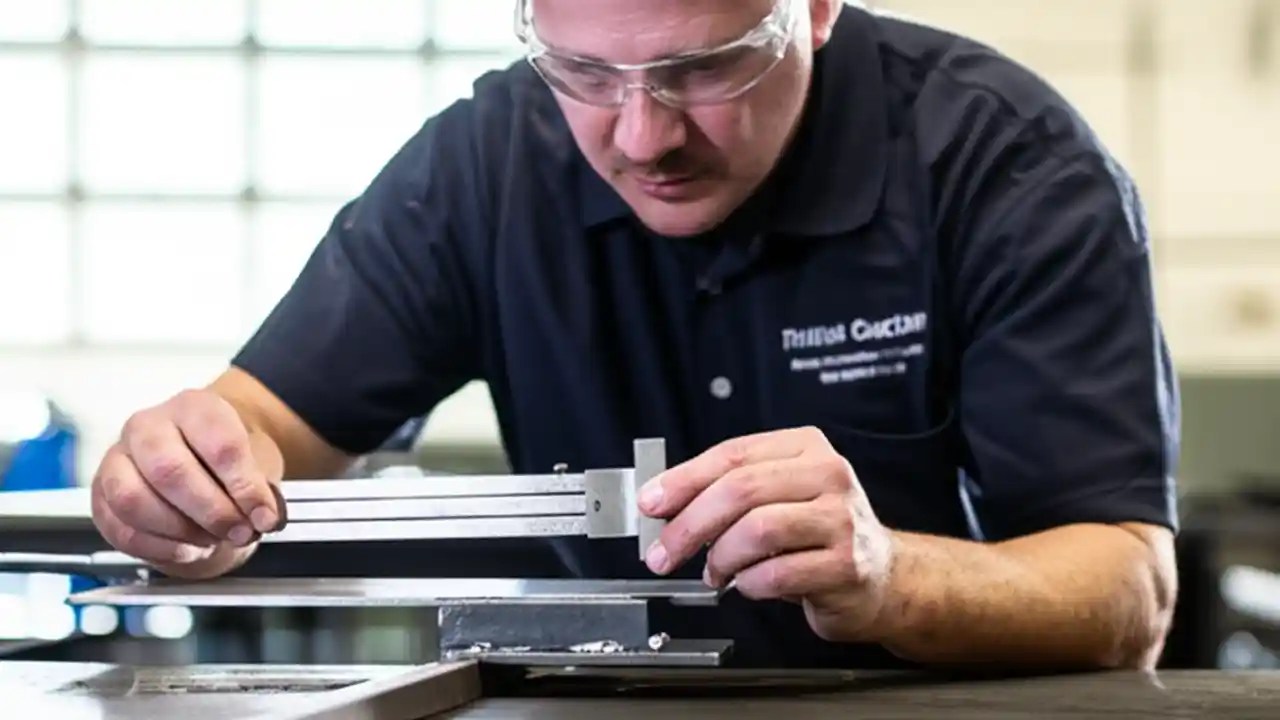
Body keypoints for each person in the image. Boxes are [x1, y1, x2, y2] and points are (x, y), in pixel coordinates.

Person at [89, 0, 1180, 671]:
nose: (645, 135)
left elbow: (1127, 597)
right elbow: (266, 427)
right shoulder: (482, 165)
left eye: (704, 70)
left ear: (815, 10)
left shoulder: (1008, 167)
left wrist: (890, 577)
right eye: (584, 75)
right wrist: (185, 479)